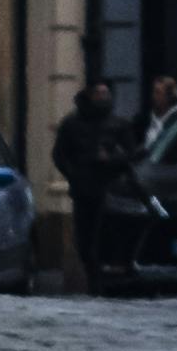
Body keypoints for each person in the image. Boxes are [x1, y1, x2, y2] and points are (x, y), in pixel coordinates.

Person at [49, 70, 139, 289]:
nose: (102, 96)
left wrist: (112, 160)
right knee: (85, 239)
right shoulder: (72, 124)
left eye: (105, 92)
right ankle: (93, 277)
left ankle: (108, 277)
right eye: (98, 92)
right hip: (84, 190)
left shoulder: (119, 125)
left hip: (111, 191)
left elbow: (132, 156)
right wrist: (74, 174)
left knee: (108, 237)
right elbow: (60, 155)